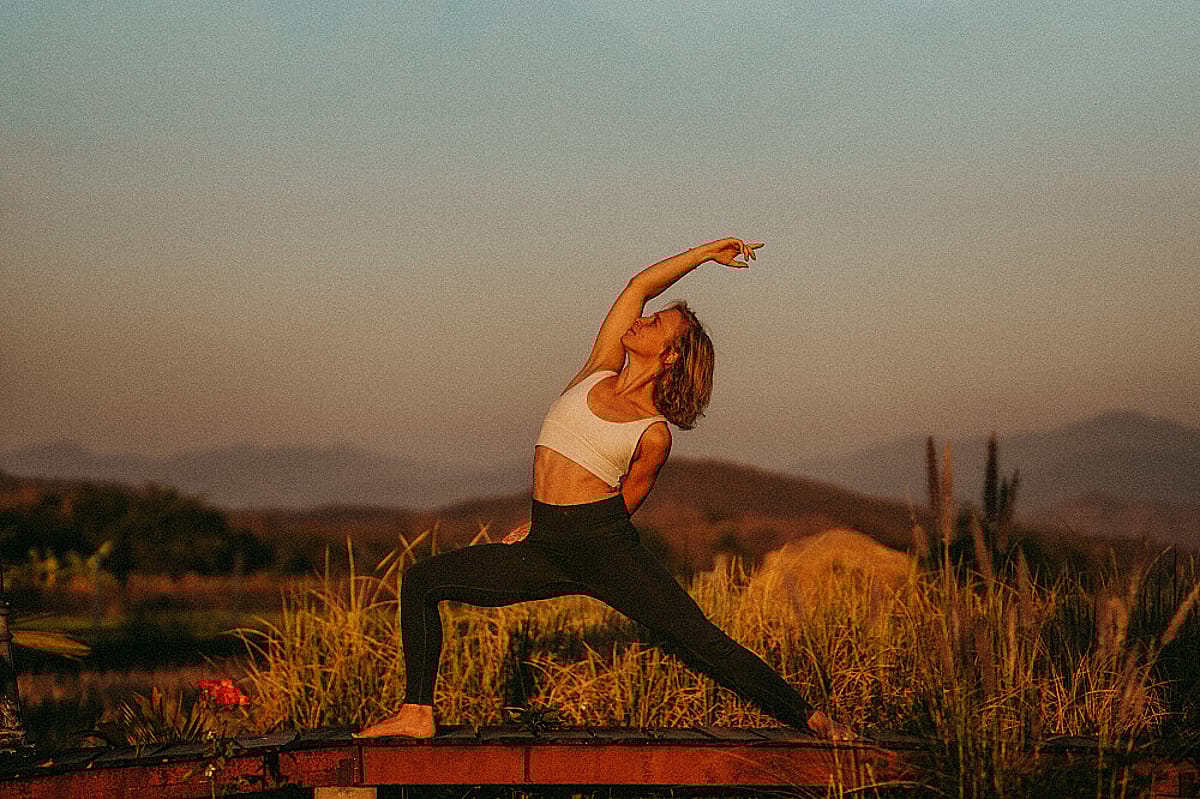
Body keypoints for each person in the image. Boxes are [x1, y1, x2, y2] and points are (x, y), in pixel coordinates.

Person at [357, 237, 853, 740]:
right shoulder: (597, 369)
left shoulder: (652, 432)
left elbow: (629, 499)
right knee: (423, 582)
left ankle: (813, 719)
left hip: (606, 550)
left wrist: (585, 524)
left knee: (699, 639)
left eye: (657, 323)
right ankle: (418, 711)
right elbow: (639, 285)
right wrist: (703, 255)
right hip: (545, 546)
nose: (643, 318)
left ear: (671, 355)